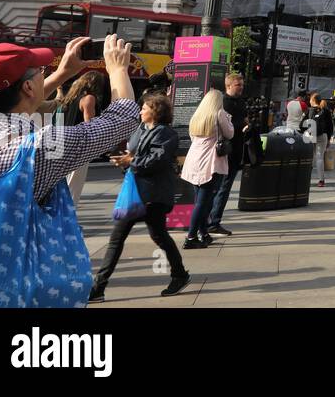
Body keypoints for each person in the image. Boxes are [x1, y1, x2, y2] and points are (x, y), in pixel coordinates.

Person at [0, 36, 139, 262]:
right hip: (7, 276)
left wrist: (63, 73)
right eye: (39, 70)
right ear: (28, 87)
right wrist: (117, 69)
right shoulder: (38, 147)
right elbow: (122, 119)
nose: (43, 73)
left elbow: (10, 106)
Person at [90, 91, 188, 301]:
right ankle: (180, 275)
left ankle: (98, 288)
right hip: (137, 192)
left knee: (130, 238)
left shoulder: (166, 133)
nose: (141, 110)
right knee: (151, 236)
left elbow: (156, 160)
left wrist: (130, 162)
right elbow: (134, 153)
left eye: (145, 108)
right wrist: (124, 159)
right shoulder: (141, 128)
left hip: (154, 194)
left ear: (156, 111)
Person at [180, 89, 234, 250]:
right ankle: (190, 237)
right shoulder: (219, 114)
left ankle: (203, 233)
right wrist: (228, 120)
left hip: (194, 159)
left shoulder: (197, 116)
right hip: (210, 161)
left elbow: (192, 137)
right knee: (203, 202)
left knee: (200, 199)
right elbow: (229, 134)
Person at [208, 73, 251, 234]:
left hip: (237, 148)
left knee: (223, 187)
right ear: (228, 86)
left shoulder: (241, 101)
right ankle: (213, 221)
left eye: (241, 84)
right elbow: (225, 126)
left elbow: (242, 119)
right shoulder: (224, 103)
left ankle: (213, 219)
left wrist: (246, 125)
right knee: (221, 187)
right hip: (226, 150)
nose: (241, 87)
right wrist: (242, 126)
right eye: (238, 85)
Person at [59, 69, 103, 206]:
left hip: (63, 143)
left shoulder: (70, 98)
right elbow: (88, 124)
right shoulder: (89, 98)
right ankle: (67, 220)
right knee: (73, 187)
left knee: (64, 183)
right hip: (78, 146)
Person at [303, 92, 333, 189]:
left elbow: (302, 124)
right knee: (319, 158)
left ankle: (306, 178)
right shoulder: (326, 111)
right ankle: (321, 180)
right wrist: (329, 139)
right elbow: (330, 126)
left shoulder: (309, 110)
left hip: (310, 135)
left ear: (312, 100)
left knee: (309, 157)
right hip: (322, 135)